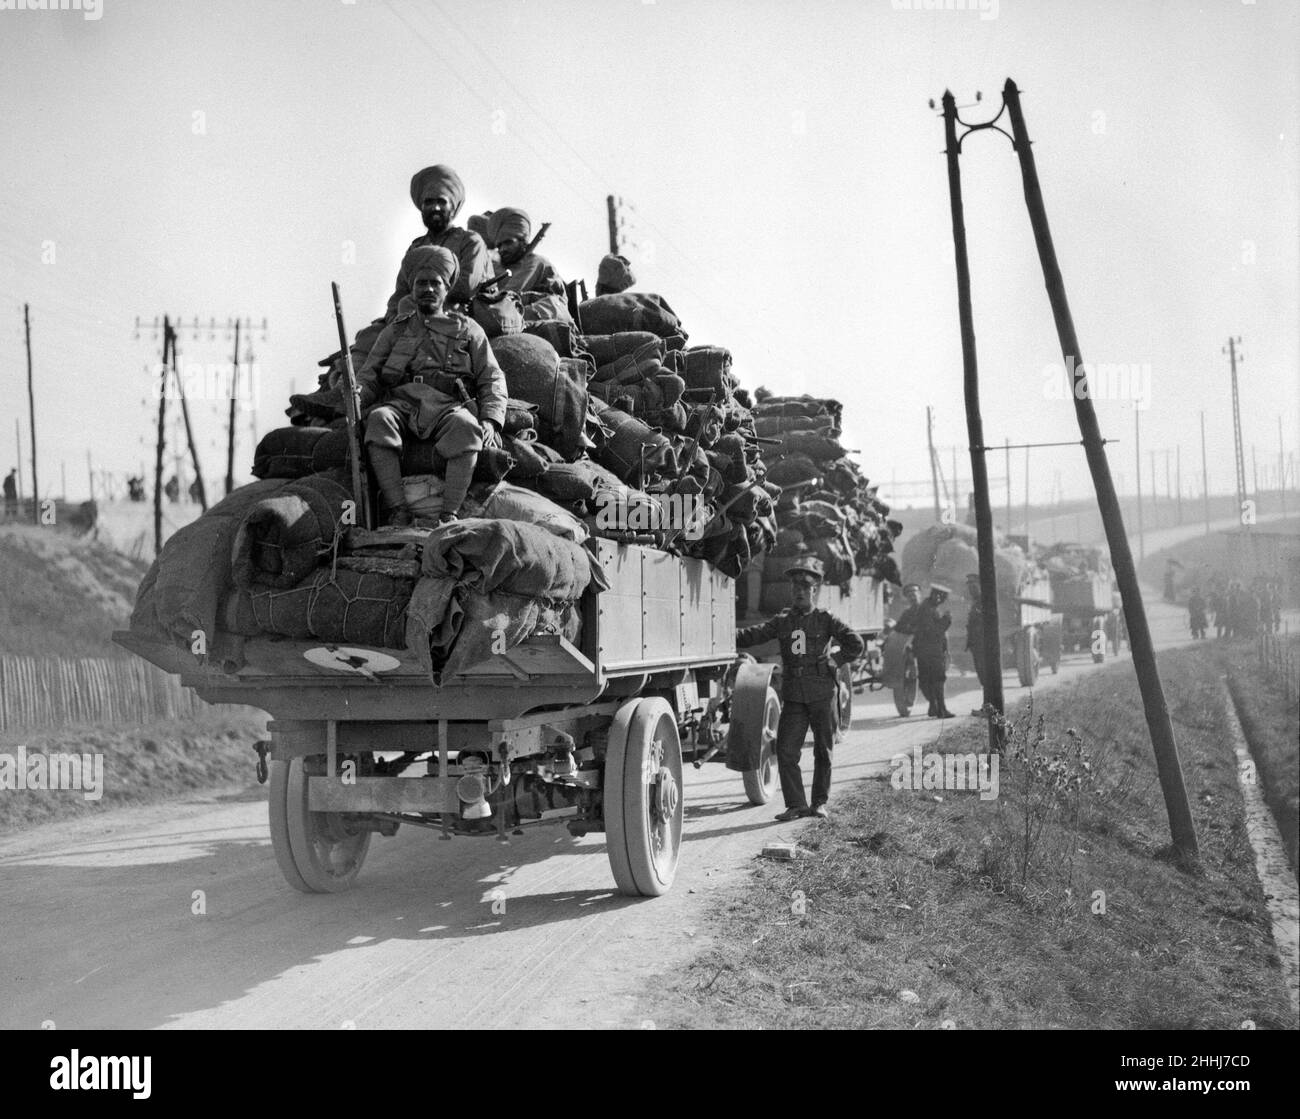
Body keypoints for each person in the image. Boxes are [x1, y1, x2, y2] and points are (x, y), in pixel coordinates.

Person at [352, 245, 507, 527]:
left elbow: (491, 376)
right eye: (421, 283)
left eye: (435, 283)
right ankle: (399, 510)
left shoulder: (468, 329)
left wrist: (491, 420)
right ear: (411, 288)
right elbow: (370, 374)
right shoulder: (396, 329)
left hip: (448, 405)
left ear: (446, 289)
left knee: (466, 428)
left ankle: (449, 515)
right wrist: (357, 395)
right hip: (402, 404)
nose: (428, 289)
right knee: (378, 420)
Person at [736, 555, 864, 821]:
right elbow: (754, 634)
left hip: (822, 693)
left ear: (815, 591)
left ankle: (819, 803)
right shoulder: (783, 620)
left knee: (823, 751)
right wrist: (728, 635)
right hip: (794, 695)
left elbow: (856, 643)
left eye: (806, 588)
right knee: (785, 750)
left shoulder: (825, 619)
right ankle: (796, 805)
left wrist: (836, 660)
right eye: (795, 588)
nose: (800, 592)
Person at [387, 164, 492, 314]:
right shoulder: (416, 247)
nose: (435, 208)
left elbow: (465, 288)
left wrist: (425, 300)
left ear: (452, 207)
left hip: (459, 317)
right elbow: (401, 291)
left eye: (441, 202)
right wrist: (392, 320)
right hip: (416, 316)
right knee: (368, 335)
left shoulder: (470, 241)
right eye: (429, 202)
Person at [896, 583, 954, 718]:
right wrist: (946, 621)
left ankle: (934, 707)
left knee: (929, 680)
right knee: (937, 679)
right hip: (930, 650)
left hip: (927, 649)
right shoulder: (927, 609)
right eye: (940, 597)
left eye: (914, 593)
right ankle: (940, 709)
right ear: (935, 595)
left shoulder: (929, 607)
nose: (941, 600)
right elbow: (934, 631)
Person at [485, 208, 564, 296]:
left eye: (508, 242)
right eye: (499, 245)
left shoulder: (535, 262)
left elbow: (506, 296)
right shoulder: (504, 267)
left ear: (522, 242)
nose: (503, 249)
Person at [964, 572, 987, 686]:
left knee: (984, 671)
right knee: (980, 671)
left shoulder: (985, 601)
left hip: (984, 643)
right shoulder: (975, 601)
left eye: (974, 586)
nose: (971, 589)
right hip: (976, 644)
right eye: (969, 587)